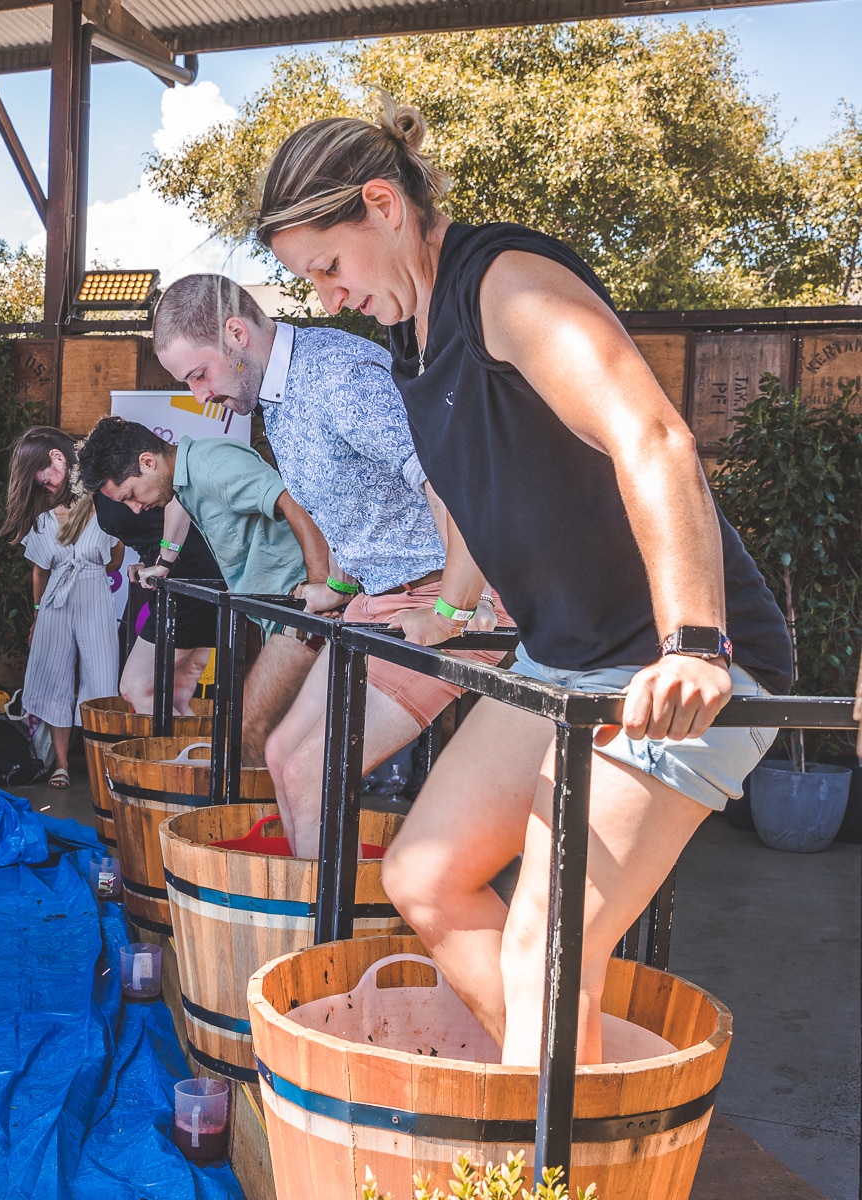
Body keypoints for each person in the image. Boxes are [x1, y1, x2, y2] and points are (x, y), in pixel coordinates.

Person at [256, 97, 792, 1066]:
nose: (328, 296)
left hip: (664, 661)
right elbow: (469, 495)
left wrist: (695, 642)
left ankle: (547, 1136)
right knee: (425, 878)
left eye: (328, 268)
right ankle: (568, 1107)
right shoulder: (413, 343)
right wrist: (452, 609)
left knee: (549, 946)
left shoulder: (506, 282)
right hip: (561, 657)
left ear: (382, 203)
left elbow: (654, 436)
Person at [150, 272, 511, 857]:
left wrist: (452, 608)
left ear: (236, 334)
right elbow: (346, 499)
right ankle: (309, 923)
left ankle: (328, 941)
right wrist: (337, 584)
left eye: (199, 374)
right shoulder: (276, 393)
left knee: (307, 774)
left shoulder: (336, 377)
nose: (200, 395)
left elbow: (453, 483)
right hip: (382, 597)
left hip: (452, 598)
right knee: (277, 754)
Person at [77, 417, 332, 762]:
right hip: (273, 612)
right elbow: (181, 508)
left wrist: (320, 583)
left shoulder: (214, 464)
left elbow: (293, 502)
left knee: (257, 736)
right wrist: (164, 563)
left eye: (132, 496)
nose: (135, 508)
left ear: (147, 462)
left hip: (301, 610)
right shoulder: (185, 481)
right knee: (263, 741)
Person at [2, 428, 121, 788]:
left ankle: (103, 765)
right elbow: (39, 571)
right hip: (55, 601)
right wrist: (37, 615)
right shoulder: (42, 519)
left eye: (46, 476)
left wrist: (91, 565)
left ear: (58, 458)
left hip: (94, 596)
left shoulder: (102, 506)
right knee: (55, 679)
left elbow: (114, 560)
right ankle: (62, 764)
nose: (45, 484)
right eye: (39, 482)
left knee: (101, 679)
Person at [93, 492, 218, 717]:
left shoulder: (125, 466)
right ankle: (192, 753)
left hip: (186, 580)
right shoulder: (104, 482)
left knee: (135, 688)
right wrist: (151, 560)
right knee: (178, 697)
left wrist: (162, 562)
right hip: (191, 576)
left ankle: (185, 753)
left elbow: (180, 504)